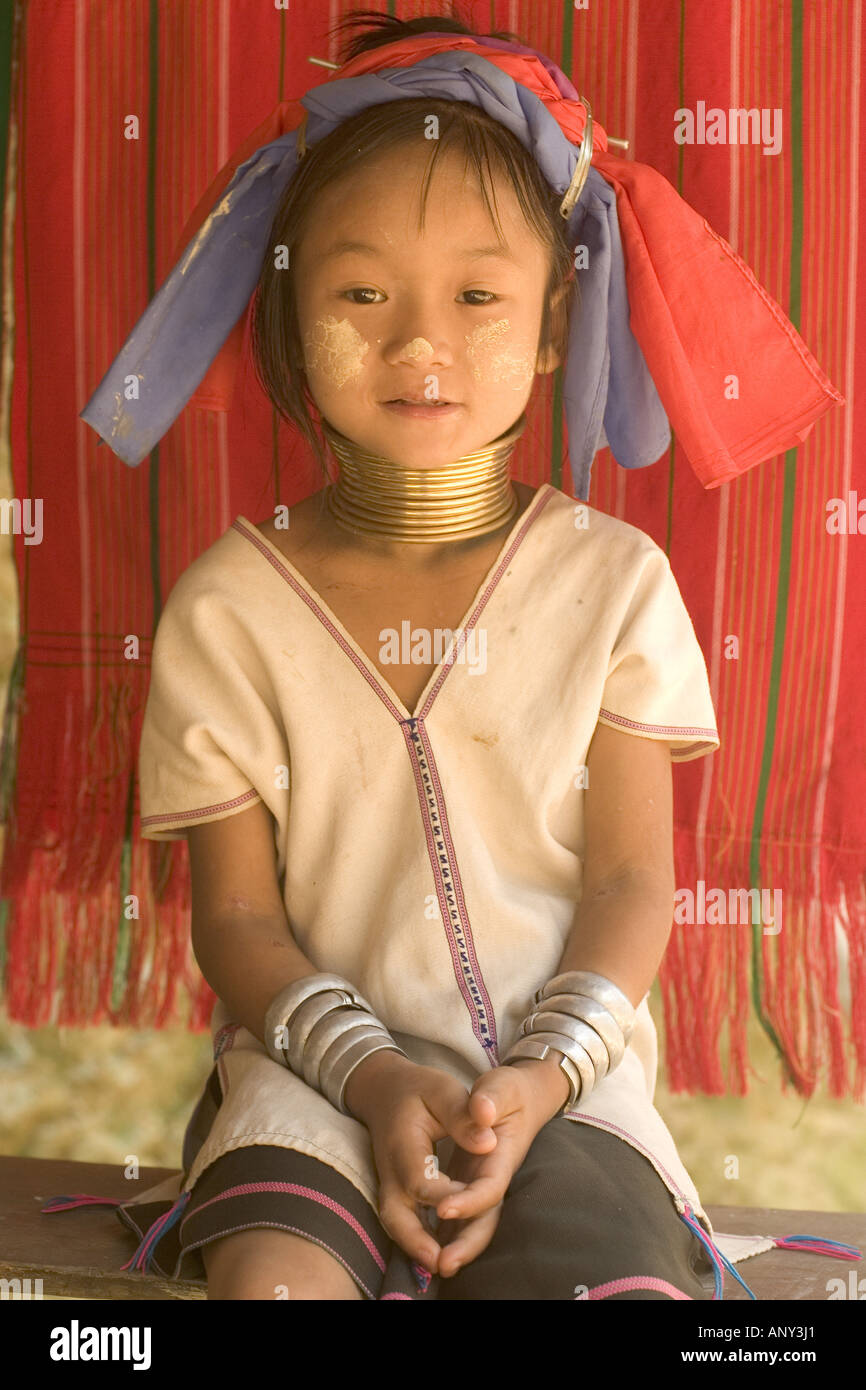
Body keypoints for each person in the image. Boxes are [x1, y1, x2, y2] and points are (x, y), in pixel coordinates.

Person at [54, 9, 849, 1301]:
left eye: (477, 295)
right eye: (360, 292)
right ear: (289, 309)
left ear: (549, 324)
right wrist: (370, 1073)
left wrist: (537, 1076)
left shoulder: (611, 589)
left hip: (562, 1092)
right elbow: (239, 918)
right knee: (271, 1284)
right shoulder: (228, 610)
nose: (417, 342)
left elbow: (633, 884)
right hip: (307, 1084)